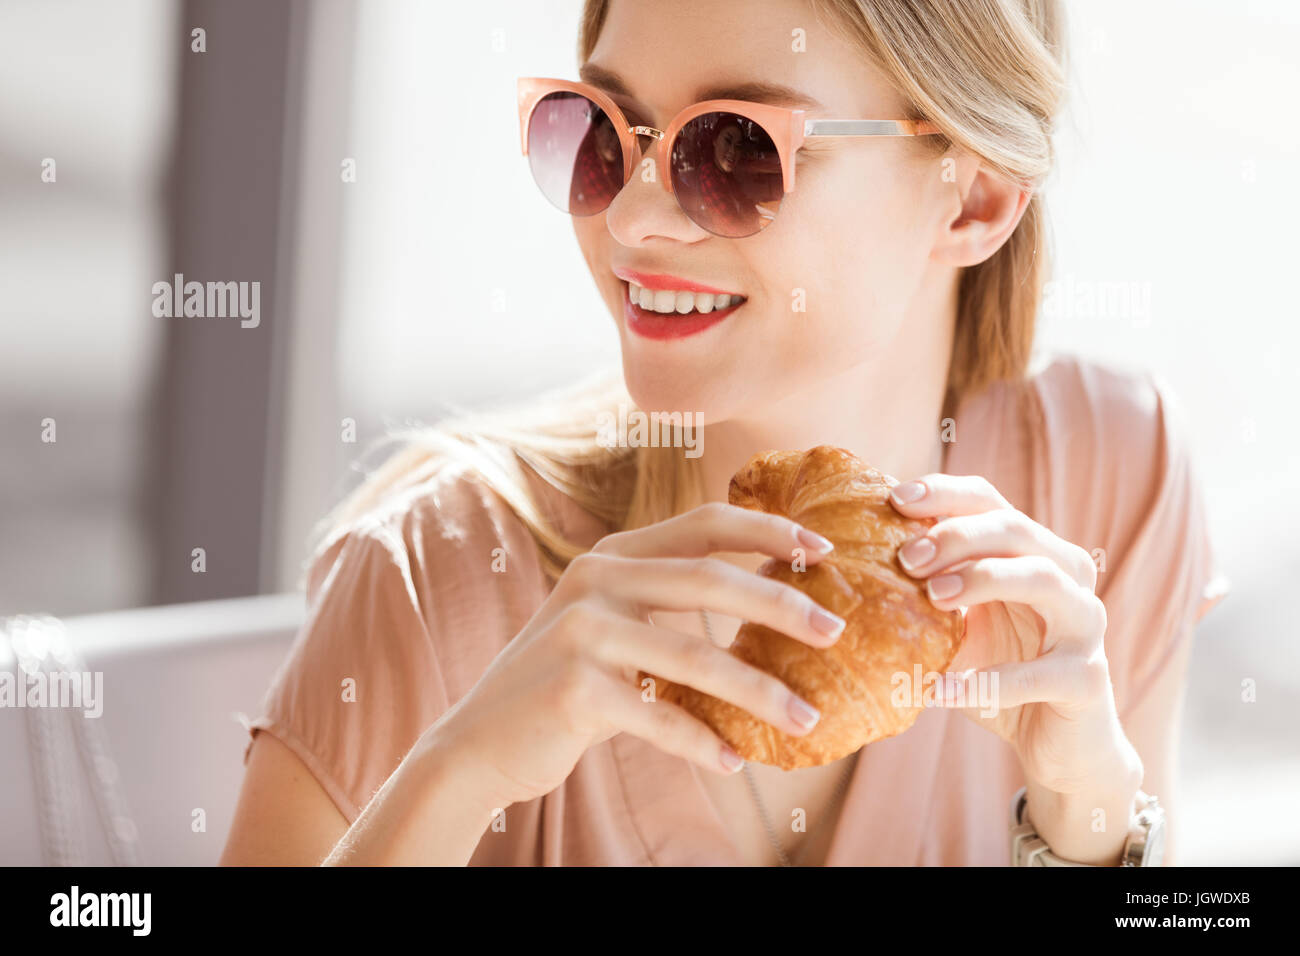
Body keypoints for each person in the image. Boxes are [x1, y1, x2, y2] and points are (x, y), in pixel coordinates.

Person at [221, 0, 1227, 866]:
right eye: (604, 133)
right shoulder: (439, 571)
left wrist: (1093, 822)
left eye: (737, 150)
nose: (633, 220)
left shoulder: (1110, 471)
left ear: (973, 194)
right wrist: (461, 770)